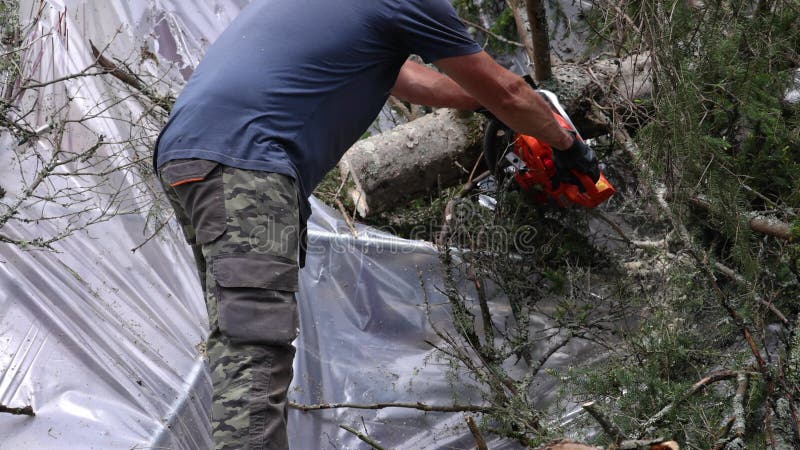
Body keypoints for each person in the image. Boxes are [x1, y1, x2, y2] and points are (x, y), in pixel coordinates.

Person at [154, 0, 598, 448]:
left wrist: (477, 99)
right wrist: (566, 143)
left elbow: (403, 77)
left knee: (238, 334)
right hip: (247, 161)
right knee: (255, 343)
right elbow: (509, 92)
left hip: (189, 157)